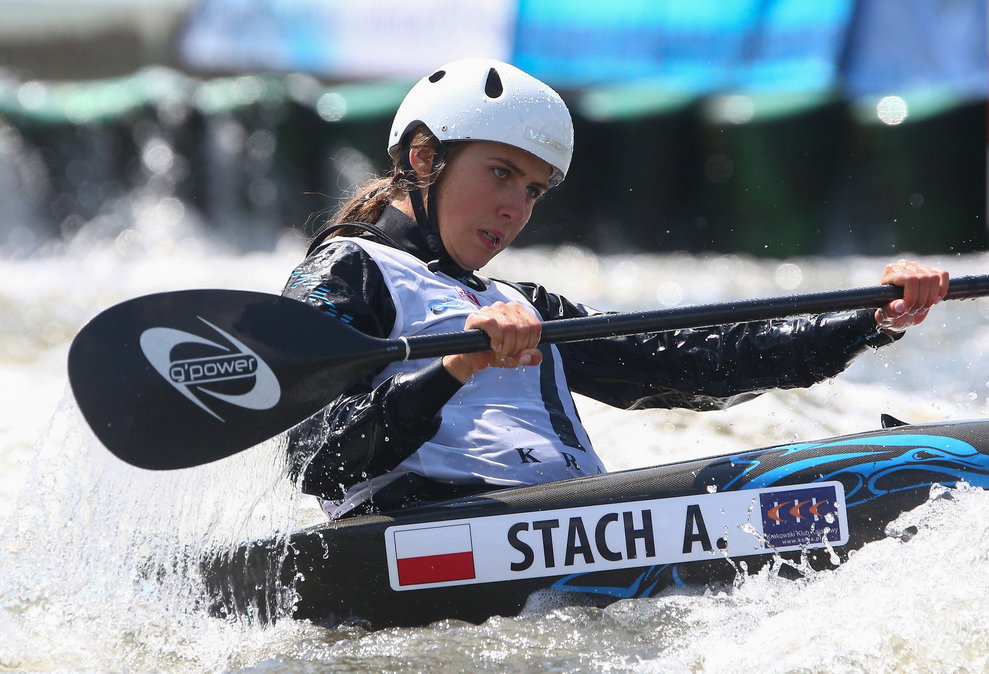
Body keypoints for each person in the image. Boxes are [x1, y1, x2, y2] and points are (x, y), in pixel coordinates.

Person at [282, 59, 949, 520]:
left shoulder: (524, 304)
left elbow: (698, 362)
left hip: (564, 524)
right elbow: (316, 459)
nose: (516, 208)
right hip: (416, 533)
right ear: (425, 157)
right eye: (501, 173)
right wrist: (455, 366)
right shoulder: (349, 271)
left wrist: (867, 318)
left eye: (534, 189)